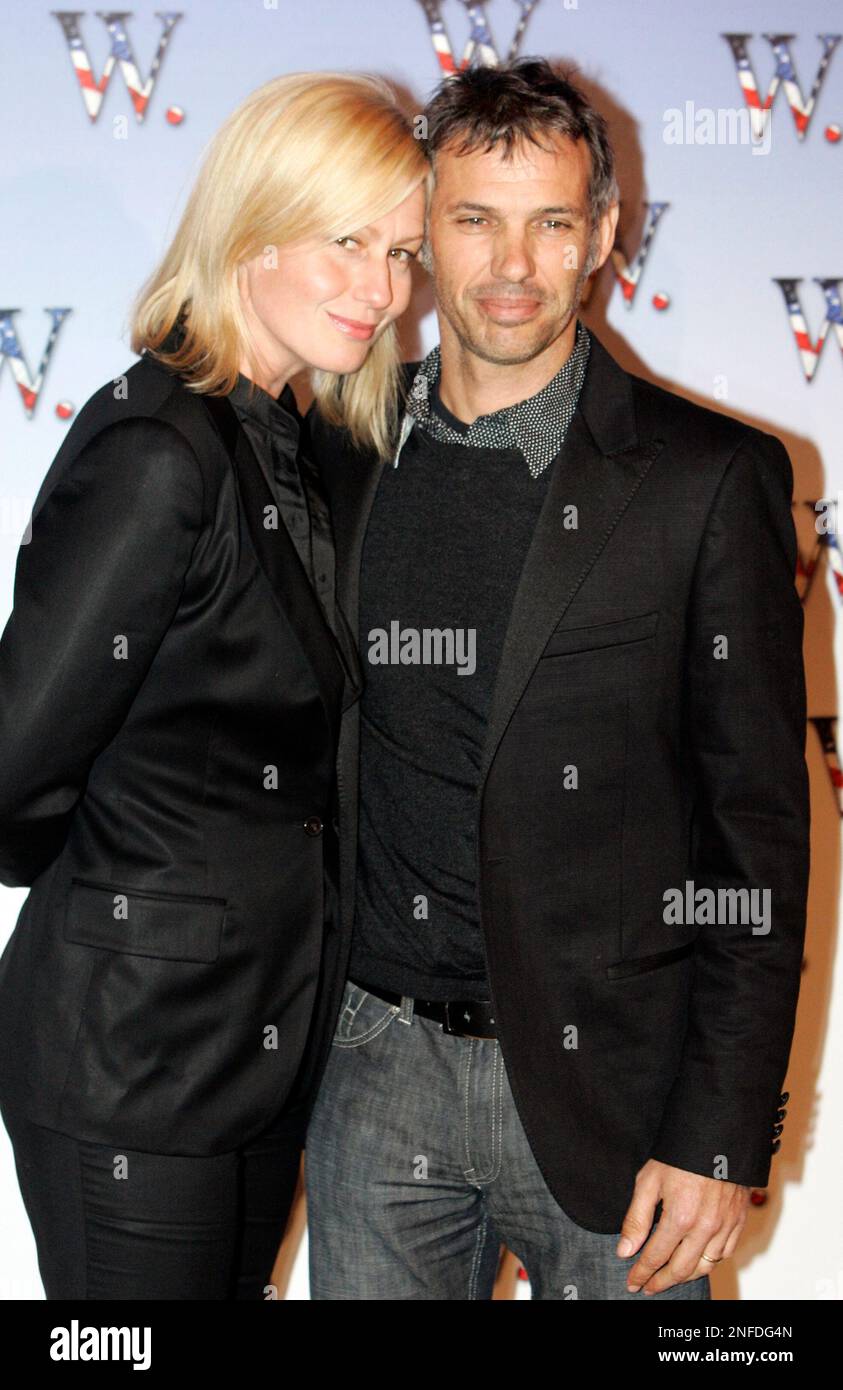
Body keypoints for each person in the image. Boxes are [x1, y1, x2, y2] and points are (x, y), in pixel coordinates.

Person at [302, 58, 810, 1300]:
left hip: (620, 1094)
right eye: (475, 219)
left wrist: (721, 1131)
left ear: (605, 235)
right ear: (424, 227)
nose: (512, 265)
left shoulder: (706, 479)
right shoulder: (336, 452)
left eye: (551, 222)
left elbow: (756, 837)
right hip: (372, 1070)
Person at [0, 70, 427, 1299]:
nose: (382, 289)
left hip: (263, 1052)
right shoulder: (159, 451)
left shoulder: (310, 445)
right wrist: (147, 886)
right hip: (131, 1057)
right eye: (348, 241)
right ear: (253, 225)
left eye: (400, 253)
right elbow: (16, 764)